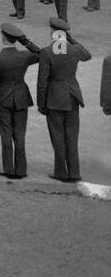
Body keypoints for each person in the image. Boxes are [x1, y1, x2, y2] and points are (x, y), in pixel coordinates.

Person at [37, 17, 92, 183]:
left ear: (53, 32)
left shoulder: (47, 52)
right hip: (72, 95)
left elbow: (42, 82)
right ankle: (74, 172)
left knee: (57, 135)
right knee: (72, 135)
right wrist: (70, 38)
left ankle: (61, 171)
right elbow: (87, 55)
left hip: (54, 97)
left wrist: (41, 103)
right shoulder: (74, 50)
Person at [0, 22, 41, 180]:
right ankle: (21, 170)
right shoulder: (24, 56)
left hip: (3, 99)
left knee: (6, 135)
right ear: (16, 39)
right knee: (20, 135)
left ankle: (9, 169)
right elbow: (41, 53)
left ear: (3, 38)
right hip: (21, 97)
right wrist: (26, 41)